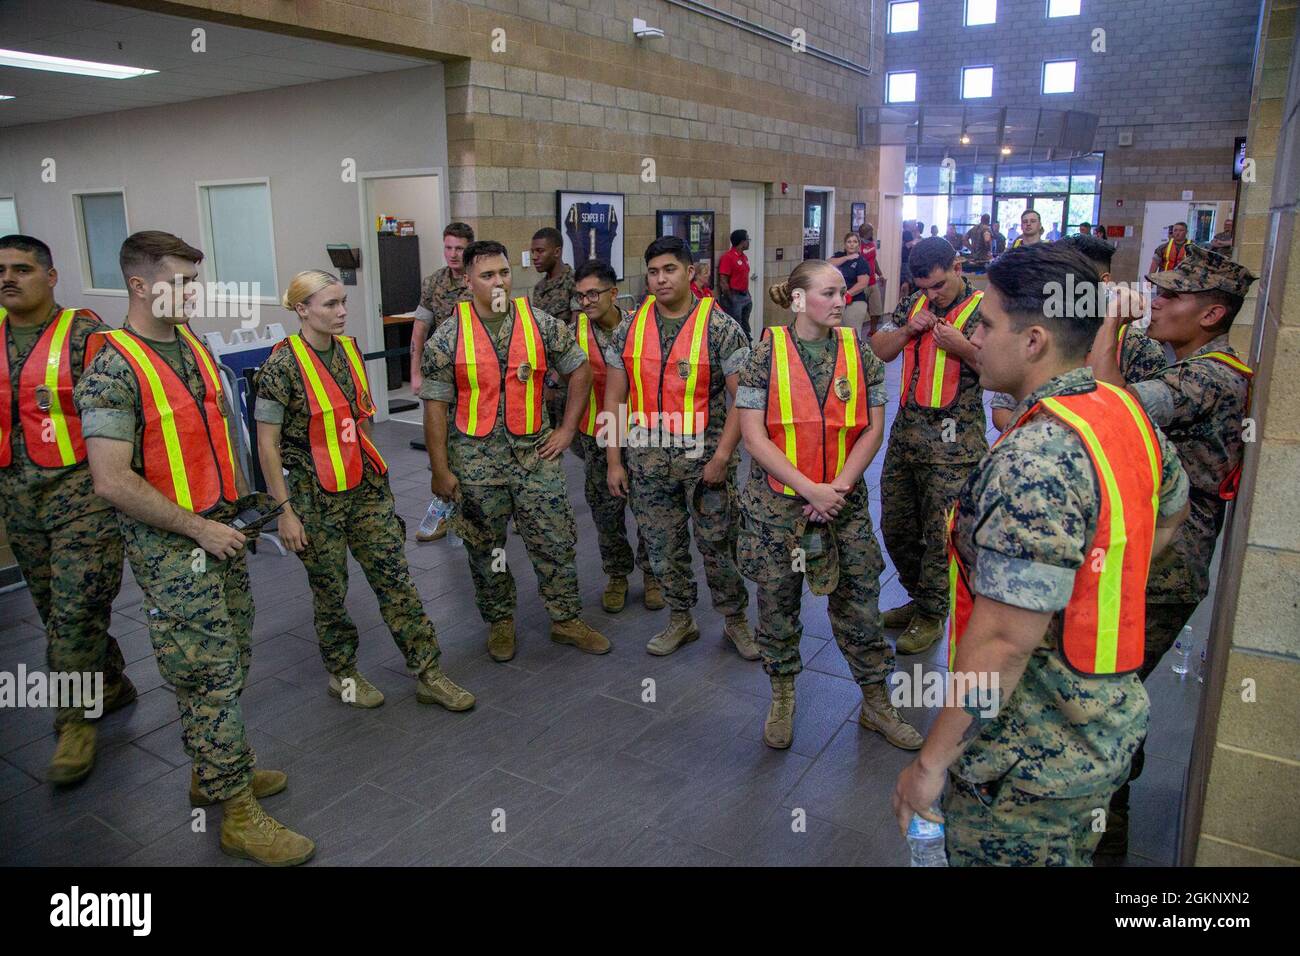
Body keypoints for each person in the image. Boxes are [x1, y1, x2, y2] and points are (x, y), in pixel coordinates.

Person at [892, 241, 1189, 866]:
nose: (976, 334)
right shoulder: (1122, 410)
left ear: (1033, 341)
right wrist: (1091, 576)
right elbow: (1170, 515)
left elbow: (1003, 641)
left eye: (988, 324)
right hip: (1103, 722)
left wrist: (931, 761)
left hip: (1029, 754)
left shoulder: (1034, 459)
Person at [76, 231, 311, 865]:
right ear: (138, 286)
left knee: (229, 661)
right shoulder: (112, 366)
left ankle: (212, 771)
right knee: (206, 674)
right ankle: (236, 812)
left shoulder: (196, 348)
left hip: (225, 533)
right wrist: (198, 528)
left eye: (194, 281)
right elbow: (111, 478)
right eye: (180, 282)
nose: (192, 293)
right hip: (178, 551)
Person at [1089, 243, 1258, 862]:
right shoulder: (1188, 364)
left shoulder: (1211, 376)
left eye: (1170, 296)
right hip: (1152, 560)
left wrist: (1113, 321)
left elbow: (1107, 407)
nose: (1154, 303)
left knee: (1107, 704)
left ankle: (1106, 843)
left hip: (1165, 569)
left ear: (1211, 314)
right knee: (1106, 698)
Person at [254, 270, 474, 712]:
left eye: (343, 303)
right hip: (315, 497)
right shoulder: (281, 366)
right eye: (330, 305)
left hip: (365, 489)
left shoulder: (350, 351)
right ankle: (343, 673)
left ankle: (428, 671)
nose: (341, 312)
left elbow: (363, 419)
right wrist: (285, 512)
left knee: (395, 578)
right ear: (302, 309)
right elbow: (266, 443)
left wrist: (374, 474)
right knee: (330, 589)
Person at [735, 260, 922, 751]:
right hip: (778, 510)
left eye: (843, 292)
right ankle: (781, 695)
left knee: (860, 603)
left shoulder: (858, 350)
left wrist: (835, 488)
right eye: (830, 292)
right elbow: (754, 438)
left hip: (844, 506)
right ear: (798, 300)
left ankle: (877, 703)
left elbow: (873, 427)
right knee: (777, 605)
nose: (842, 301)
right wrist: (809, 490)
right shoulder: (765, 352)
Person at [420, 240, 609, 661]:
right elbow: (435, 407)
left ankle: (565, 619)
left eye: (504, 272)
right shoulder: (448, 336)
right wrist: (440, 470)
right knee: (488, 547)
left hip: (535, 454)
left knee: (554, 538)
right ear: (467, 282)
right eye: (487, 275)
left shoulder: (538, 323)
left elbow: (579, 368)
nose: (499, 281)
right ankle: (500, 621)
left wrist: (566, 430)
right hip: (474, 459)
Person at [0, 234, 135, 785]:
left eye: (22, 269)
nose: (9, 277)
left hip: (84, 496)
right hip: (19, 497)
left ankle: (74, 721)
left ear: (50, 277)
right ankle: (110, 680)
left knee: (76, 610)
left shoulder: (88, 336)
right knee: (54, 607)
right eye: (2, 269)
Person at [602, 237, 757, 658]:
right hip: (646, 459)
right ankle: (680, 619)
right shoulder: (629, 327)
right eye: (653, 272)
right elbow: (614, 398)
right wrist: (613, 460)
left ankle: (735, 621)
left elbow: (744, 398)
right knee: (661, 545)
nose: (660, 279)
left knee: (718, 544)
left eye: (669, 269)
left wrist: (723, 458)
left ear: (690, 273)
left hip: (704, 460)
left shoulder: (720, 327)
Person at [870, 237, 988, 656]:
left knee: (939, 536)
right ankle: (918, 597)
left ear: (957, 266)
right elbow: (879, 353)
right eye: (923, 288)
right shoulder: (914, 305)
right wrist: (906, 329)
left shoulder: (987, 310)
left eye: (938, 285)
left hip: (954, 448)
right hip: (906, 438)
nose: (932, 295)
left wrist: (965, 349)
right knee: (896, 527)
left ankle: (932, 614)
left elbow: (1002, 374)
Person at [989, 233, 1167, 431]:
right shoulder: (1044, 332)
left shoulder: (1138, 348)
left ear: (1103, 282)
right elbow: (1002, 410)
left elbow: (1138, 425)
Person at [569, 259, 662, 613]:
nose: (587, 302)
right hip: (597, 437)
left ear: (612, 292)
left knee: (649, 506)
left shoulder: (641, 325)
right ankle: (617, 574)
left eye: (593, 293)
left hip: (640, 434)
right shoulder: (573, 330)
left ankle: (652, 573)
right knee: (606, 510)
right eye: (580, 296)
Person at [412, 221, 474, 542]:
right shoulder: (433, 282)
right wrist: (415, 370)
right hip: (441, 376)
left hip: (474, 377)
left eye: (459, 249)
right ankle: (443, 507)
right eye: (448, 247)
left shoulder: (478, 280)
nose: (453, 254)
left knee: (472, 443)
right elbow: (421, 327)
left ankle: (483, 509)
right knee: (440, 444)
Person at [528, 226, 577, 436]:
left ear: (556, 252)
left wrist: (553, 380)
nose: (534, 257)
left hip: (566, 377)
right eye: (533, 252)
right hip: (544, 374)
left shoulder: (574, 283)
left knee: (574, 439)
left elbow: (576, 332)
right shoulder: (539, 288)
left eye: (540, 251)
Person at [827, 231, 872, 332]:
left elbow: (862, 283)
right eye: (849, 241)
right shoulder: (839, 256)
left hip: (854, 300)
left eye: (855, 242)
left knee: (851, 332)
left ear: (858, 245)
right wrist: (847, 258)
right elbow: (827, 264)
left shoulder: (862, 262)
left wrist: (847, 294)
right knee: (835, 332)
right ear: (845, 244)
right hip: (836, 299)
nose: (852, 244)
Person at [717, 229, 754, 341]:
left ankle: (748, 345)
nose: (749, 242)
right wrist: (730, 298)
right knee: (736, 326)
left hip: (745, 296)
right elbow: (723, 281)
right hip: (734, 296)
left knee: (745, 325)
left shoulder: (744, 257)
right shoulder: (728, 257)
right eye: (748, 239)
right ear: (742, 241)